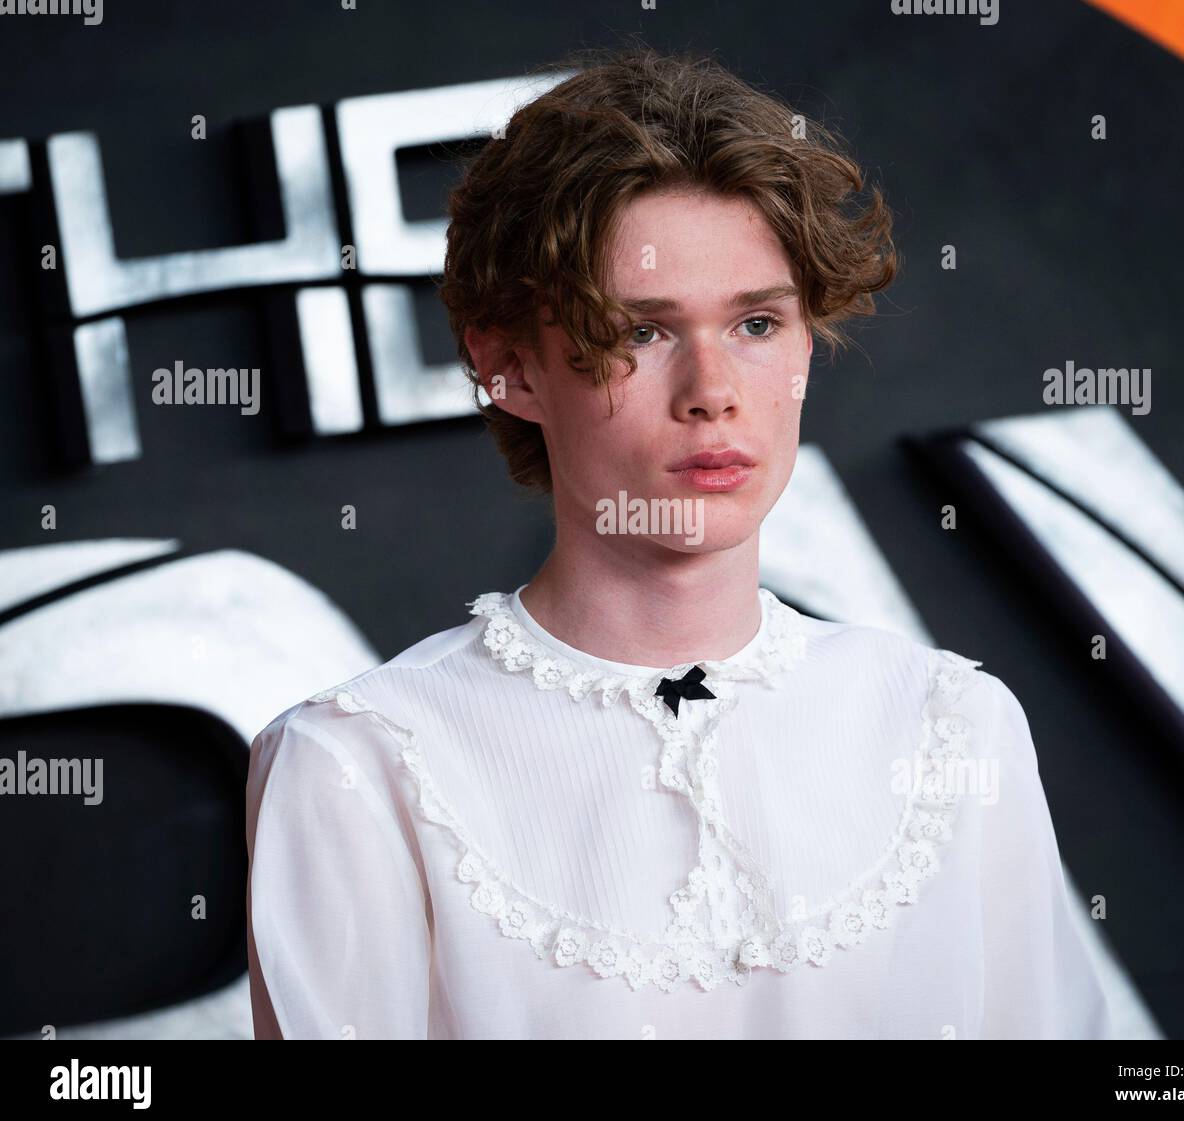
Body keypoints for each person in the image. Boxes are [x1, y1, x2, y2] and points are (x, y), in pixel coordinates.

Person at [244, 44, 1112, 1039]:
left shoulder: (954, 724)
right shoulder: (356, 763)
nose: (712, 389)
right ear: (509, 365)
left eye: (754, 322)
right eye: (643, 331)